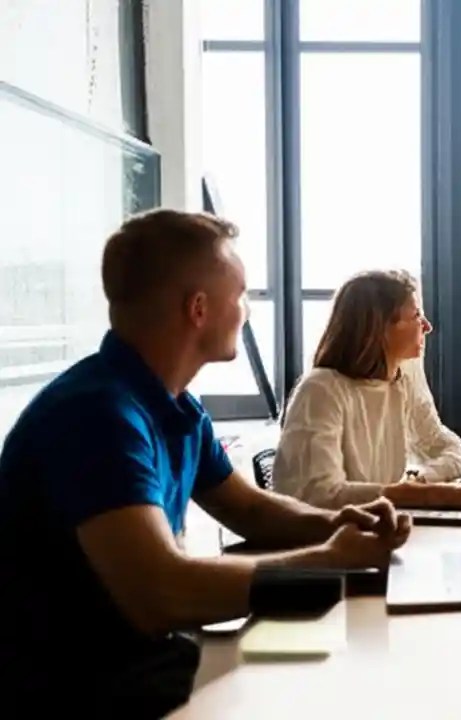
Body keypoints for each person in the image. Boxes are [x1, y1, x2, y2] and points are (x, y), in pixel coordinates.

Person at [0, 210, 411, 714]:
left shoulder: (175, 407)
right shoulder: (96, 416)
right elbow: (161, 593)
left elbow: (252, 511)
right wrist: (331, 560)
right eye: (239, 296)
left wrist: (342, 524)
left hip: (142, 666)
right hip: (80, 691)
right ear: (199, 308)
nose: (247, 311)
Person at [273, 269, 461, 511]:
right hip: (332, 538)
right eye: (417, 315)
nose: (428, 327)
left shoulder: (403, 378)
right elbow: (317, 495)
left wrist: (419, 482)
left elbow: (449, 448)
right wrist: (418, 495)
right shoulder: (321, 391)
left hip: (381, 525)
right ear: (379, 327)